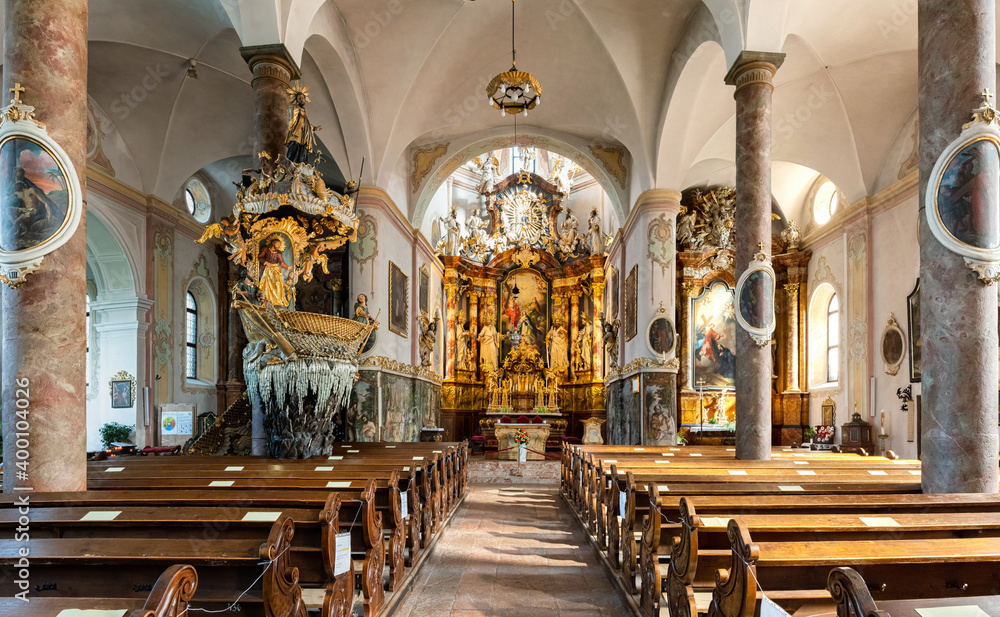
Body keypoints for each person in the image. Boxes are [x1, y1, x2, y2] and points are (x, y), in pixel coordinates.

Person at [286, 84, 321, 164]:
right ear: (297, 100)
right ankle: (289, 167)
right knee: (292, 153)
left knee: (302, 156)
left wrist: (315, 128)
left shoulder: (304, 111)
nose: (301, 100)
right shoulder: (295, 108)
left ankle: (300, 169)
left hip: (303, 137)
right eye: (299, 99)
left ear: (305, 99)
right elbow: (290, 119)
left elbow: (306, 124)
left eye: (302, 98)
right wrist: (298, 112)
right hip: (296, 135)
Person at [258, 237, 292, 307]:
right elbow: (260, 257)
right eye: (278, 244)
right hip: (267, 269)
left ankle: (278, 300)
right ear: (273, 244)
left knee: (278, 283)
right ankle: (268, 299)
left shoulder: (278, 253)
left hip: (276, 269)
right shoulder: (266, 249)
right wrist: (265, 262)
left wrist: (287, 267)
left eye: (280, 245)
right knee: (267, 284)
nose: (279, 246)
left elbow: (281, 262)